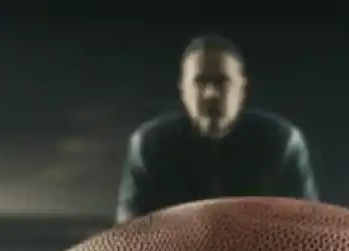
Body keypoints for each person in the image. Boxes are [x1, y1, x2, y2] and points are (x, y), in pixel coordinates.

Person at [114, 34, 319, 224]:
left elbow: (307, 230)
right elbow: (129, 236)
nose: (210, 93)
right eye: (200, 81)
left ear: (242, 88)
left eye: (221, 81)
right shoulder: (149, 146)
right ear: (183, 89)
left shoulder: (281, 143)